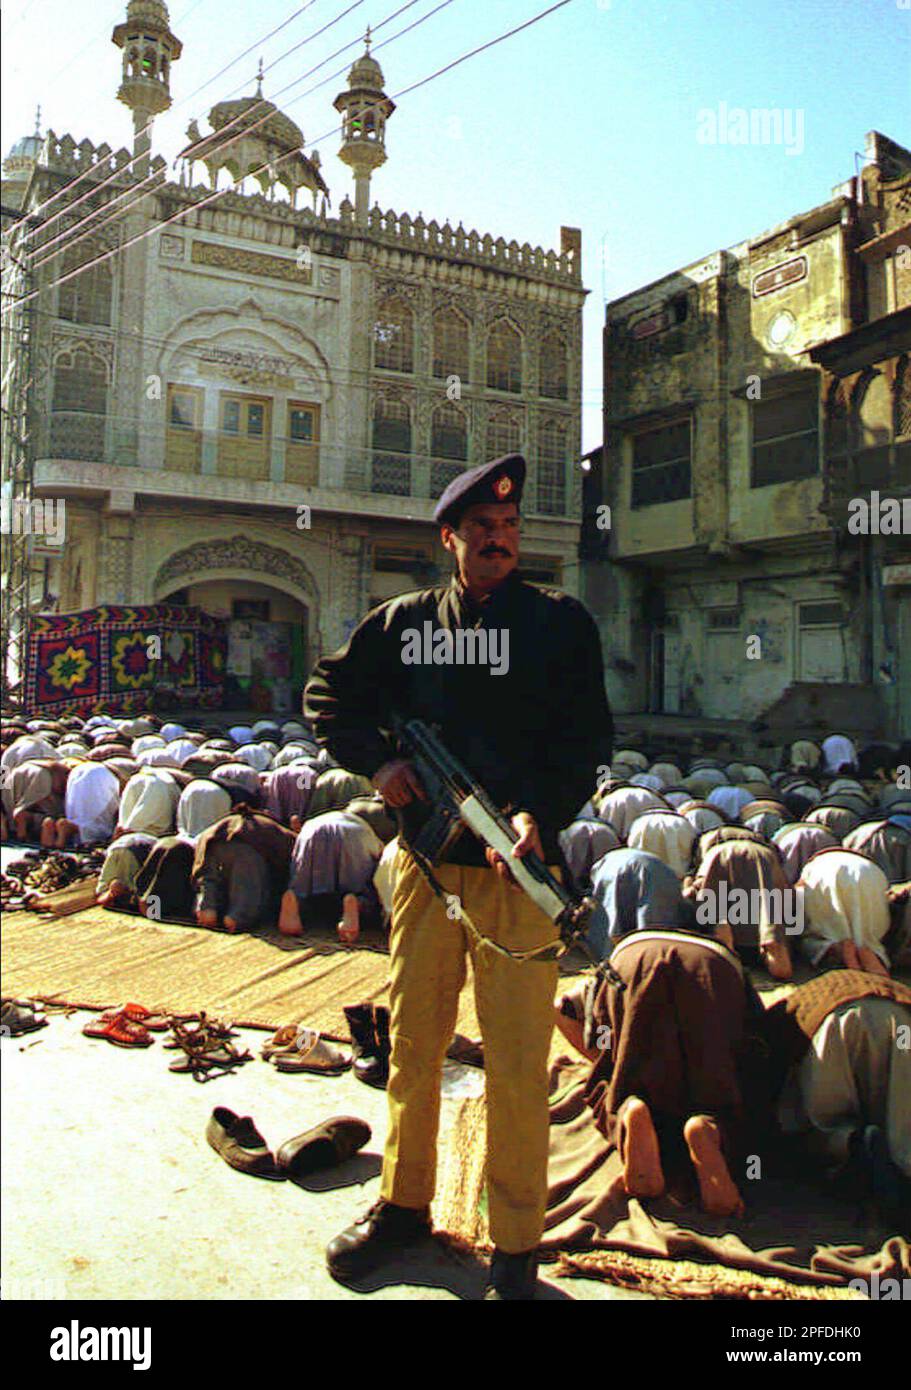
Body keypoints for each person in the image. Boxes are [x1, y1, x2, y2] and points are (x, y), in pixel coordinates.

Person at [304, 453, 613, 1300]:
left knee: (516, 1063)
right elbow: (327, 694)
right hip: (427, 873)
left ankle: (515, 1242)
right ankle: (403, 1207)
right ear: (449, 538)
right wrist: (379, 765)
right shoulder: (402, 625)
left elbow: (585, 739)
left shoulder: (559, 624)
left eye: (509, 530)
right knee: (412, 1047)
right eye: (482, 529)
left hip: (518, 877)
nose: (499, 541)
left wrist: (536, 818)